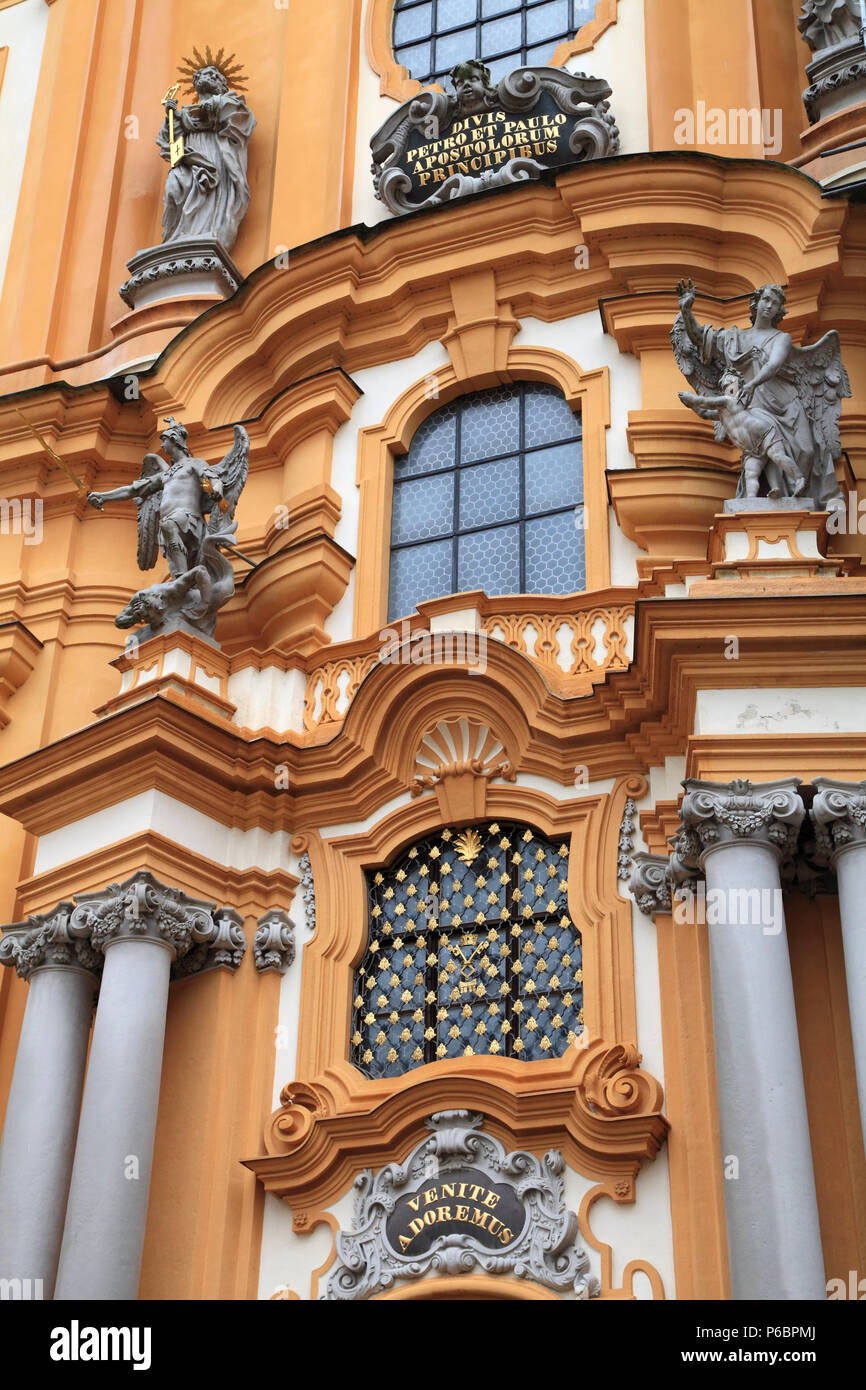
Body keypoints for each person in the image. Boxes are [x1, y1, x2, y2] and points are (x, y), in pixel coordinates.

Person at [159, 65, 256, 250]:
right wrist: (170, 116)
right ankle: (177, 235)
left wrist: (217, 105)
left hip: (215, 153)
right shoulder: (185, 113)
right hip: (189, 158)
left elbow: (242, 121)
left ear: (221, 85)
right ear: (195, 82)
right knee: (173, 188)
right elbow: (170, 142)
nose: (208, 76)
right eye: (204, 74)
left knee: (209, 191)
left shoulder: (229, 102)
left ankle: (209, 231)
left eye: (214, 75)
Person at [679, 370, 806, 499]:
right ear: (722, 385)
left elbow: (705, 402)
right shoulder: (722, 412)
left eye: (732, 382)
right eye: (727, 381)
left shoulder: (728, 401)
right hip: (751, 449)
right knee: (750, 474)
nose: (729, 384)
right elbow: (704, 414)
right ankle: (751, 501)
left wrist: (692, 399)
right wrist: (690, 405)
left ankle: (799, 479)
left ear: (737, 385)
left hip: (764, 433)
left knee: (778, 456)